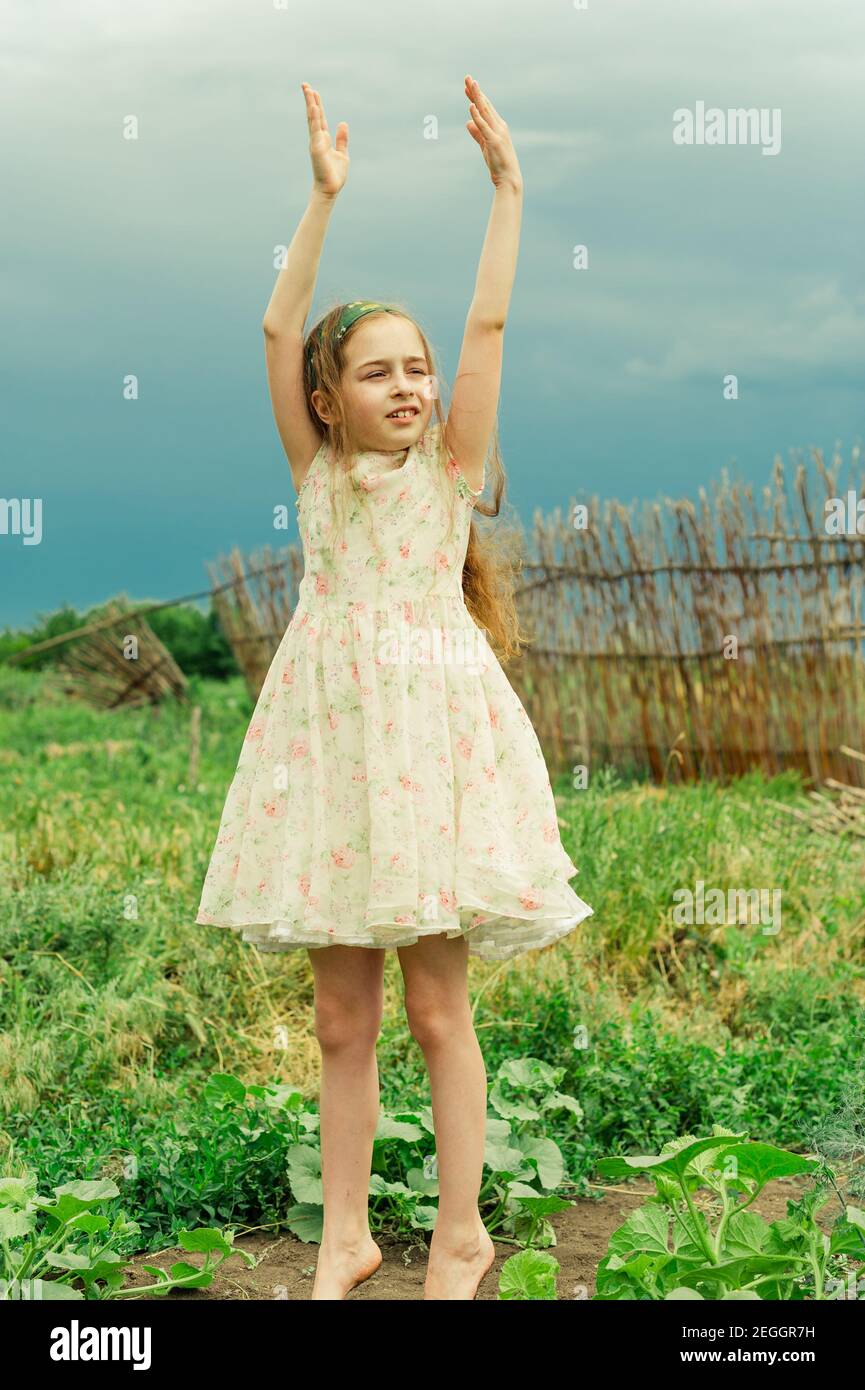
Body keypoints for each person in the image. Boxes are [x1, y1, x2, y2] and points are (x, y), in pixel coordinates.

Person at [196, 74, 592, 1300]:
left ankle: (462, 1234)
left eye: (413, 370)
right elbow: (275, 331)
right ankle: (345, 1236)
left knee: (436, 1013)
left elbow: (488, 333)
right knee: (339, 1023)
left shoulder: (448, 473)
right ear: (330, 400)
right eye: (377, 373)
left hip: (430, 753)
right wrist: (322, 196)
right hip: (330, 757)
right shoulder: (315, 476)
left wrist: (511, 189)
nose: (408, 387)